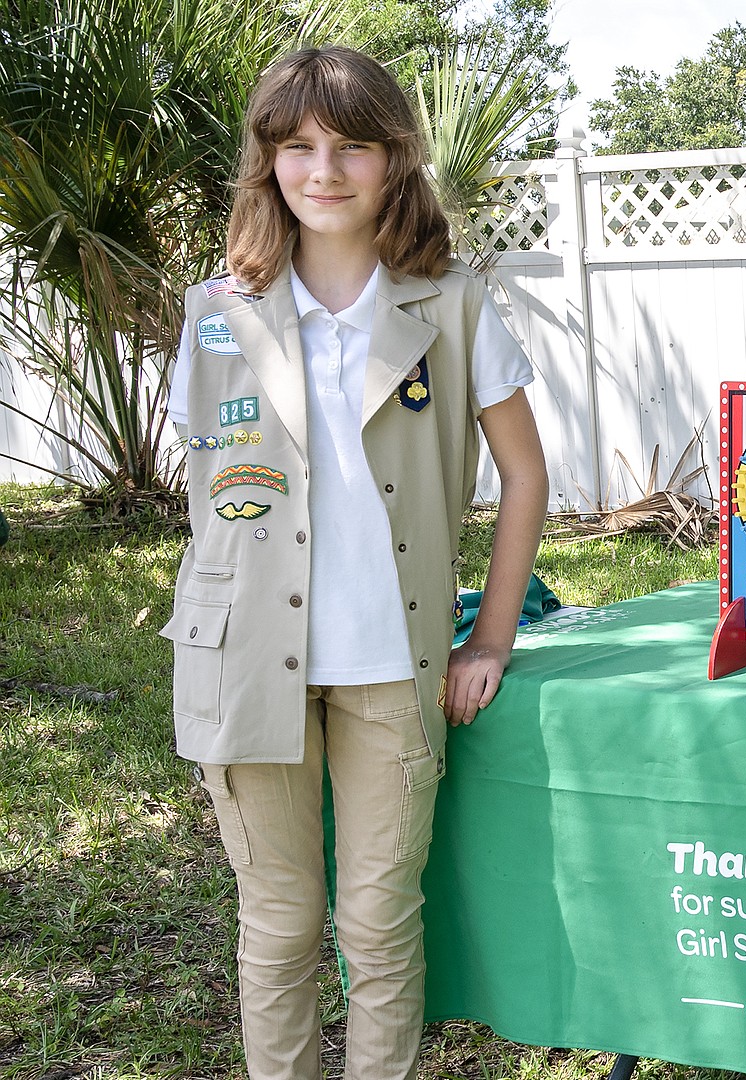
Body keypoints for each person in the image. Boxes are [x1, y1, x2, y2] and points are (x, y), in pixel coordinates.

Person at [160, 46, 548, 1079]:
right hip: (246, 662)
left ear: (394, 159)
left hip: (392, 664)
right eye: (298, 148)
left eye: (351, 146)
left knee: (379, 928)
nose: (323, 170)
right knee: (279, 927)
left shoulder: (453, 304)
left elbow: (525, 477)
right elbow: (210, 496)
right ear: (268, 162)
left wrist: (491, 637)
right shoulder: (214, 315)